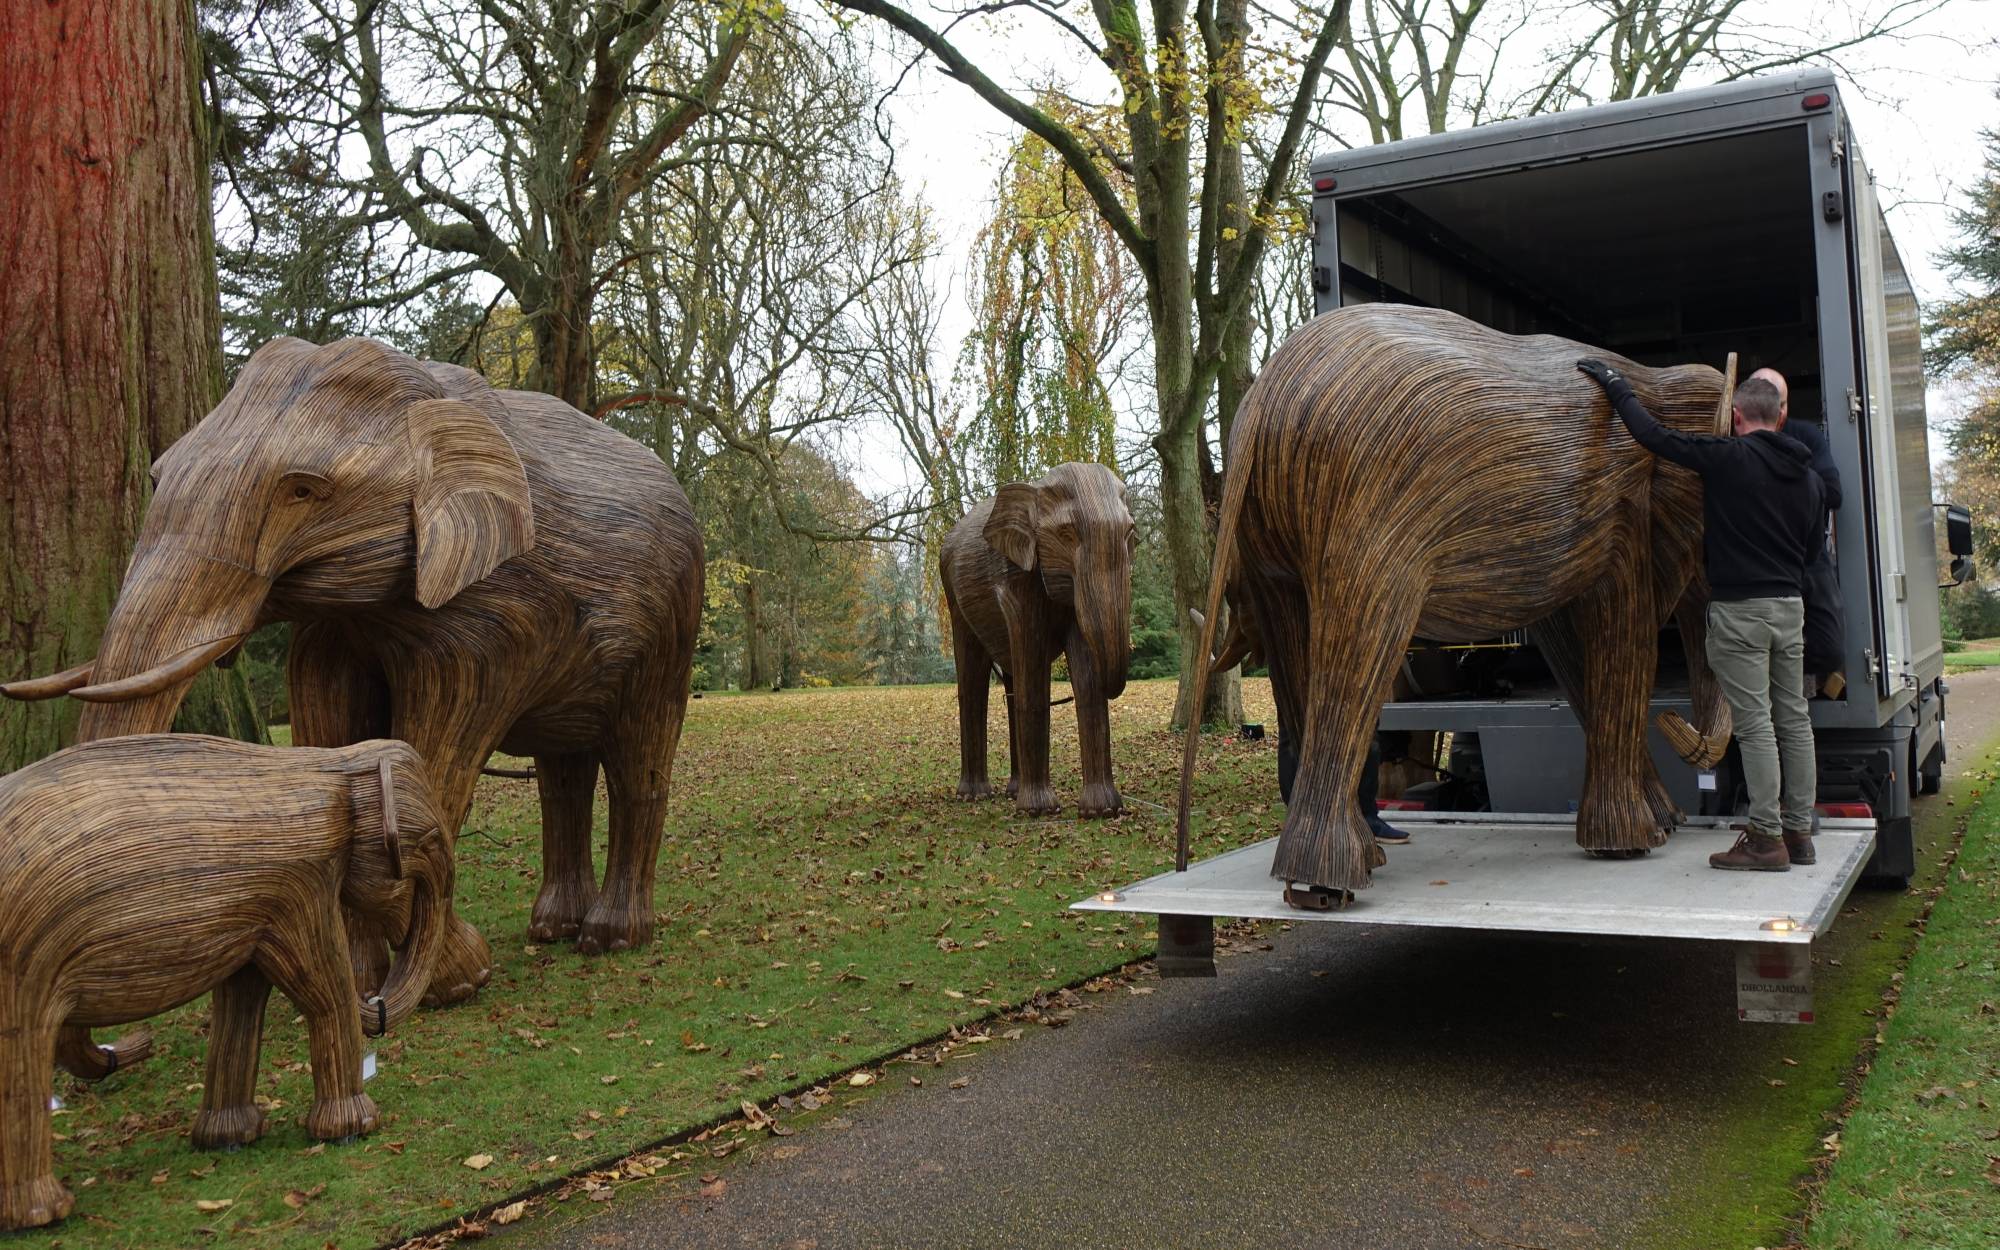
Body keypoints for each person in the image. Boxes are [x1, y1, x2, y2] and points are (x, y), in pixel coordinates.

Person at [1576, 361, 1823, 871]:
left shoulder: (1728, 458)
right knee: (1794, 721)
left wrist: (1616, 385)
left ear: (1737, 417)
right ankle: (1798, 833)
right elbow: (1813, 553)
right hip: (1789, 607)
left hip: (1741, 611)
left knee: (1755, 726)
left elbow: (1653, 437)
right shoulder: (1811, 479)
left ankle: (1765, 839)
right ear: (1779, 417)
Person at [1749, 367, 1846, 697]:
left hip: (1808, 557)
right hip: (1757, 561)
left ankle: (1782, 668)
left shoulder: (1805, 436)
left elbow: (1834, 493)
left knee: (1830, 648)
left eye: (1781, 403)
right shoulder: (1735, 443)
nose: (1777, 411)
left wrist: (1782, 481)